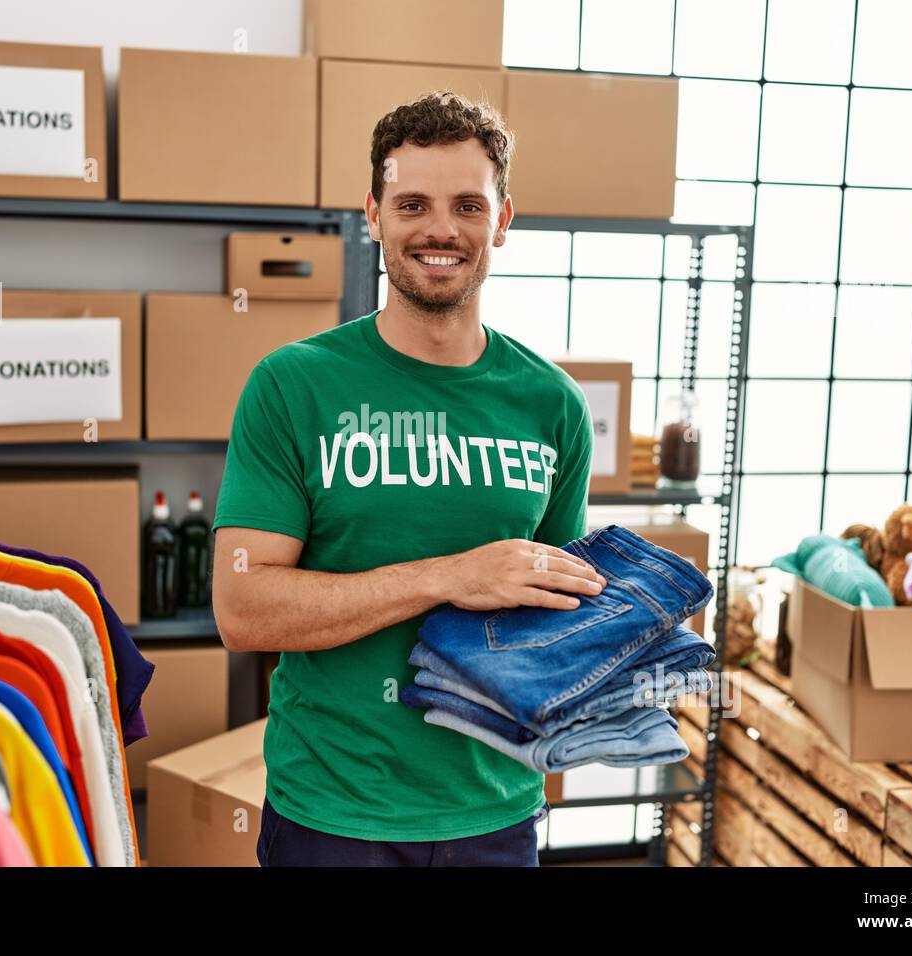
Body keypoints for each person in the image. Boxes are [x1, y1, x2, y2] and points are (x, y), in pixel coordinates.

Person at [211, 90, 603, 867]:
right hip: (333, 815)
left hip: (497, 815)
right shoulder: (294, 385)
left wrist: (630, 629)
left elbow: (553, 618)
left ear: (503, 220)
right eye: (413, 202)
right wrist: (451, 576)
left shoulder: (553, 405)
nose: (441, 229)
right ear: (374, 214)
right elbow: (244, 609)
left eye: (467, 204)